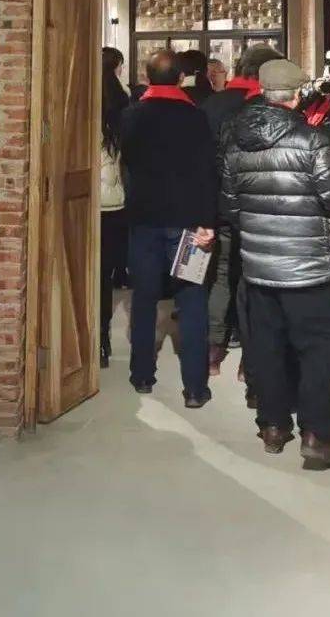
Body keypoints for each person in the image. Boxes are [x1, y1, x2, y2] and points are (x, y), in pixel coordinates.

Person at [222, 58, 330, 466]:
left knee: (267, 348)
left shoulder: (236, 140)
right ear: (296, 95)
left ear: (263, 92)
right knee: (317, 350)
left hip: (259, 268)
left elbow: (229, 206)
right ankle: (317, 435)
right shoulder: (311, 141)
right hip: (307, 267)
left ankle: (273, 426)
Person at [120, 49, 217, 407]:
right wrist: (208, 221)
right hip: (188, 220)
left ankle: (142, 375)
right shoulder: (196, 117)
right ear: (181, 78)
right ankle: (195, 387)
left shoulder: (131, 116)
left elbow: (128, 163)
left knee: (144, 298)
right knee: (191, 300)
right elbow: (207, 172)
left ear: (147, 77)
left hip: (144, 218)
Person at [201, 44, 283, 380]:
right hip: (256, 205)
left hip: (216, 202)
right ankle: (250, 361)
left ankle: (213, 350)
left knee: (220, 274)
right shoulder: (268, 108)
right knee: (254, 279)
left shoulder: (211, 105)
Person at [99, 48, 130, 364]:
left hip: (81, 200)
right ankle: (102, 340)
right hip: (113, 200)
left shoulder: (78, 101)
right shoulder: (123, 103)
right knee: (104, 275)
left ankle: (84, 337)